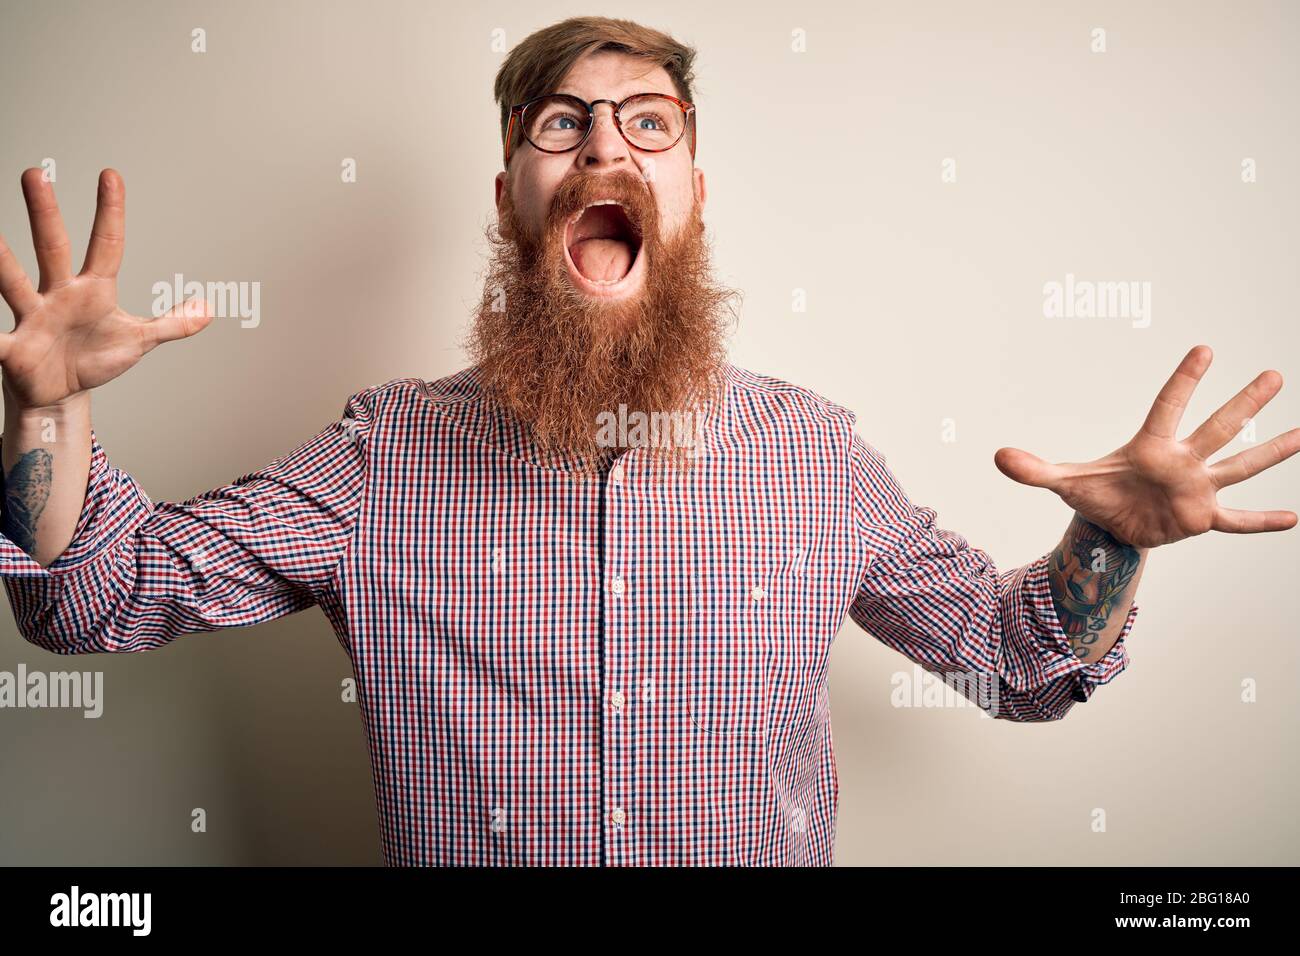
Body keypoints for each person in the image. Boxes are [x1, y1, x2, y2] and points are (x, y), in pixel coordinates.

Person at [0, 16, 1295, 867]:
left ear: (692, 193)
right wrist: (47, 407)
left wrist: (1109, 545)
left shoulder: (811, 456)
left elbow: (1018, 667)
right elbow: (98, 599)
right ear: (508, 191)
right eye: (557, 123)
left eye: (648, 122)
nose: (603, 142)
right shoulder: (382, 457)